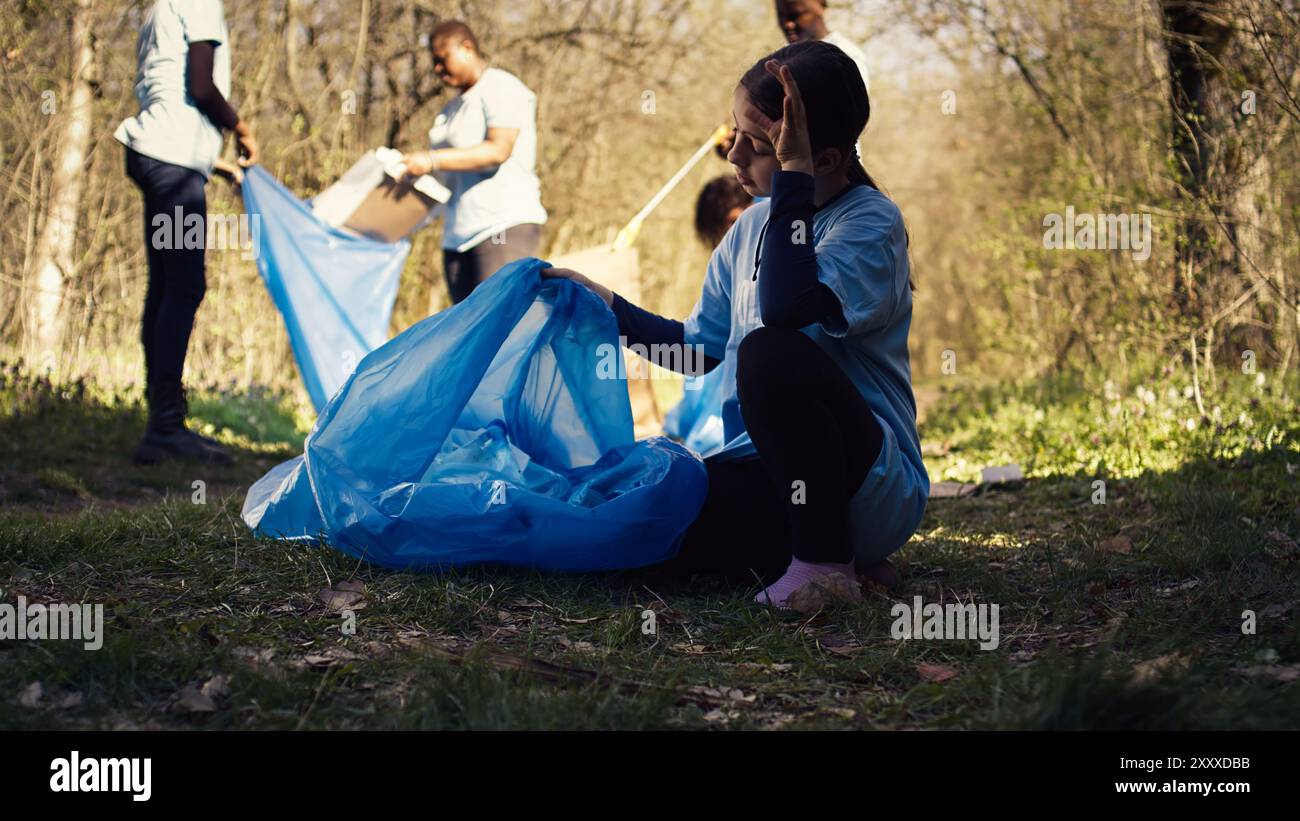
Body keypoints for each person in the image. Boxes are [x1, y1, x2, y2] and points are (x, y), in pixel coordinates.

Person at [545, 41, 927, 609]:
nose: (733, 157)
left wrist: (792, 178)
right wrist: (607, 307)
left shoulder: (870, 221)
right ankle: (839, 558)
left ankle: (825, 565)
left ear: (821, 159)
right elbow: (697, 351)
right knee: (644, 527)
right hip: (773, 477)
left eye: (758, 144)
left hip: (870, 483)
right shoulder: (748, 228)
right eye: (735, 134)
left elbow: (786, 308)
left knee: (770, 350)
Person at [114, 0, 257, 465]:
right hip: (172, 161)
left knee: (166, 287)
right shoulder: (200, 4)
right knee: (185, 285)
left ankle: (162, 424)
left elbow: (168, 95)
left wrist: (213, 165)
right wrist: (241, 126)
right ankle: (165, 429)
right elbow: (200, 86)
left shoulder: (161, 8)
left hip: (157, 155)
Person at [402, 20, 548, 305]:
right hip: (457, 238)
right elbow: (444, 179)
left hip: (503, 227)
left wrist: (431, 159)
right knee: (471, 335)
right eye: (433, 62)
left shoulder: (500, 87)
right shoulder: (450, 111)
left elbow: (498, 150)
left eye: (442, 59)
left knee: (500, 327)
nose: (437, 69)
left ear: (467, 48)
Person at [716, 1, 871, 161]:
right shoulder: (782, 57)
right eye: (781, 15)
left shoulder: (845, 56)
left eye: (797, 15)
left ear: (821, 6)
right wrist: (743, 137)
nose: (788, 24)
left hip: (825, 174)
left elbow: (840, 121)